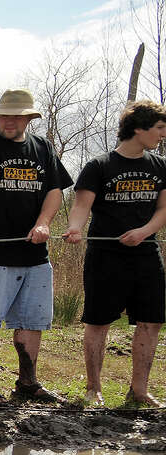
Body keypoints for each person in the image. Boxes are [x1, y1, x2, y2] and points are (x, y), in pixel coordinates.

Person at [0, 88, 73, 406]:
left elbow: (54, 191)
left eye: (16, 116)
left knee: (33, 319)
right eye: (4, 116)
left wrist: (44, 223)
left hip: (34, 254)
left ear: (28, 119)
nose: (9, 121)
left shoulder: (43, 149)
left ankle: (27, 382)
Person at [65, 100, 166, 409]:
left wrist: (144, 231)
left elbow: (164, 209)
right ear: (139, 128)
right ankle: (93, 389)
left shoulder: (160, 166)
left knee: (151, 322)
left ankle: (139, 390)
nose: (163, 135)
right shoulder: (100, 165)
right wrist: (74, 228)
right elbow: (81, 206)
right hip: (105, 256)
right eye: (160, 128)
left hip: (147, 254)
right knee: (98, 323)